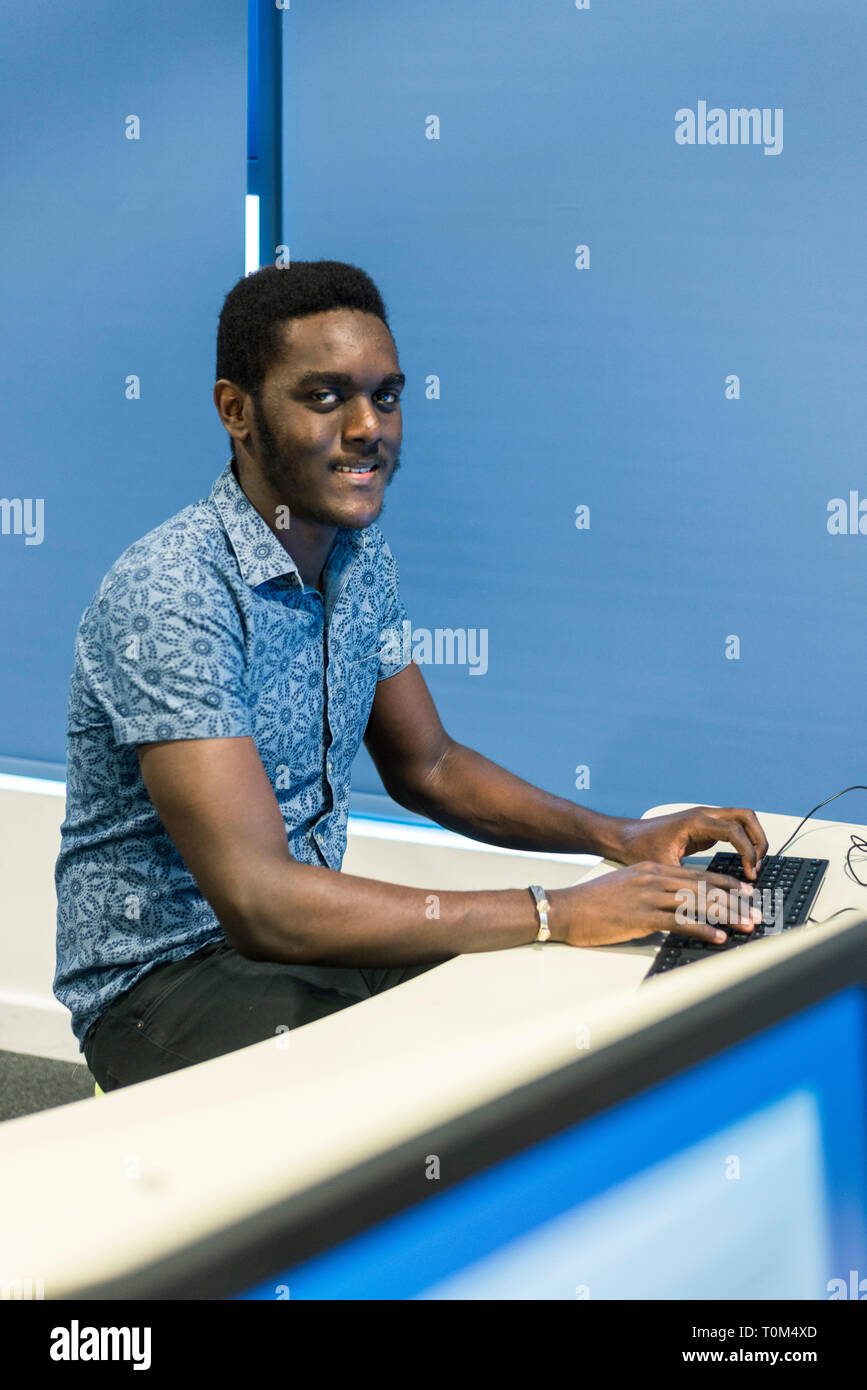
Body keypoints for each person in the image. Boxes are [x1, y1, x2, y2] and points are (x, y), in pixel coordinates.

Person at [54, 260, 767, 1092]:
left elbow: (429, 767)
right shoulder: (172, 591)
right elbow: (258, 901)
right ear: (235, 411)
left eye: (384, 397)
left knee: (546, 1022)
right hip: (163, 984)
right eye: (325, 397)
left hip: (307, 942)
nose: (368, 428)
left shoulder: (358, 559)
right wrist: (554, 912)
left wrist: (617, 837)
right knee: (457, 1097)